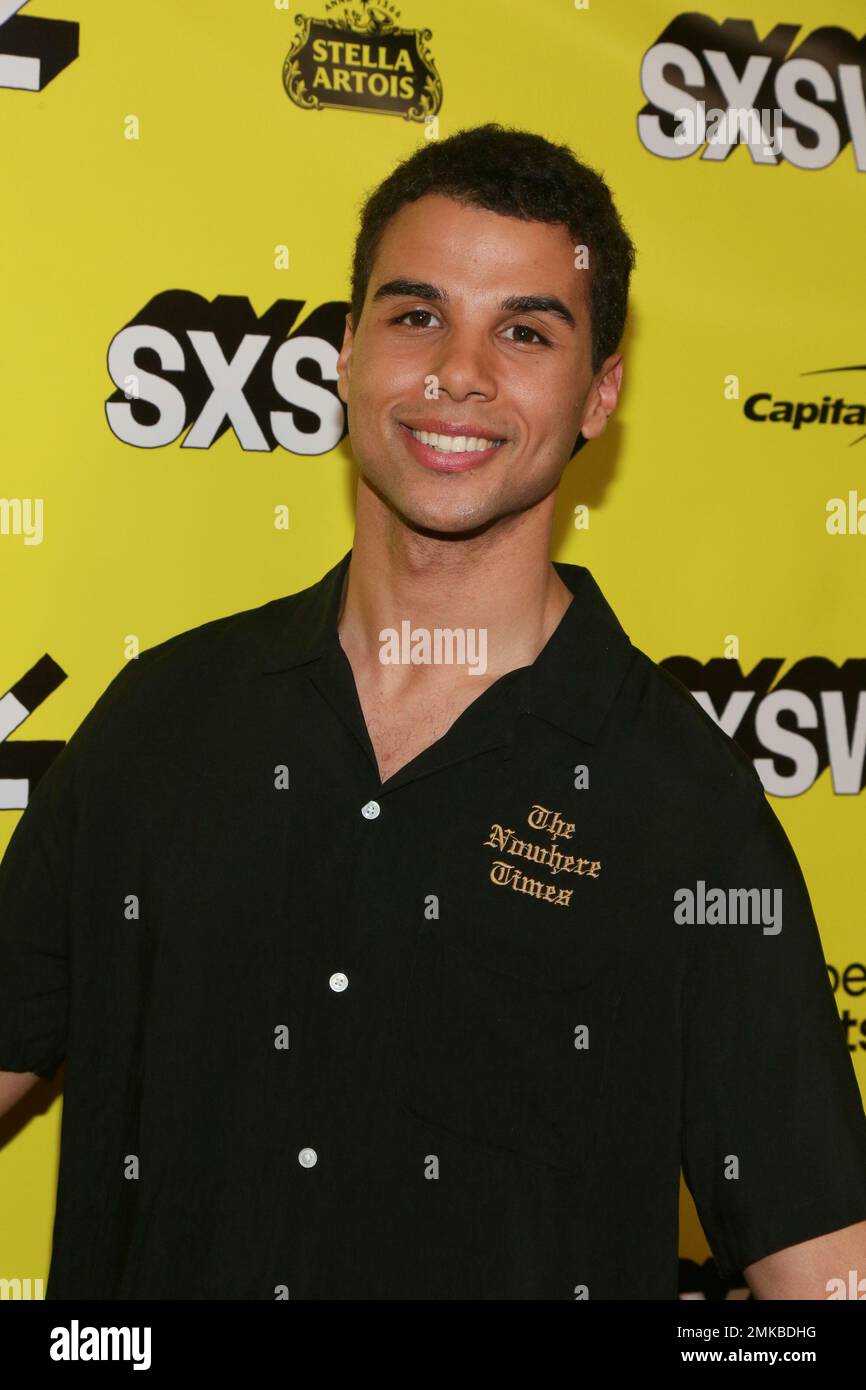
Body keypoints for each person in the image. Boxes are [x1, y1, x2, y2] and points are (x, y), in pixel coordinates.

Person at [2, 122, 865, 1300]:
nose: (457, 372)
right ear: (346, 352)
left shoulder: (680, 810)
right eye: (414, 316)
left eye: (523, 330)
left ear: (599, 391)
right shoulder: (162, 726)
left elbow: (825, 1276)